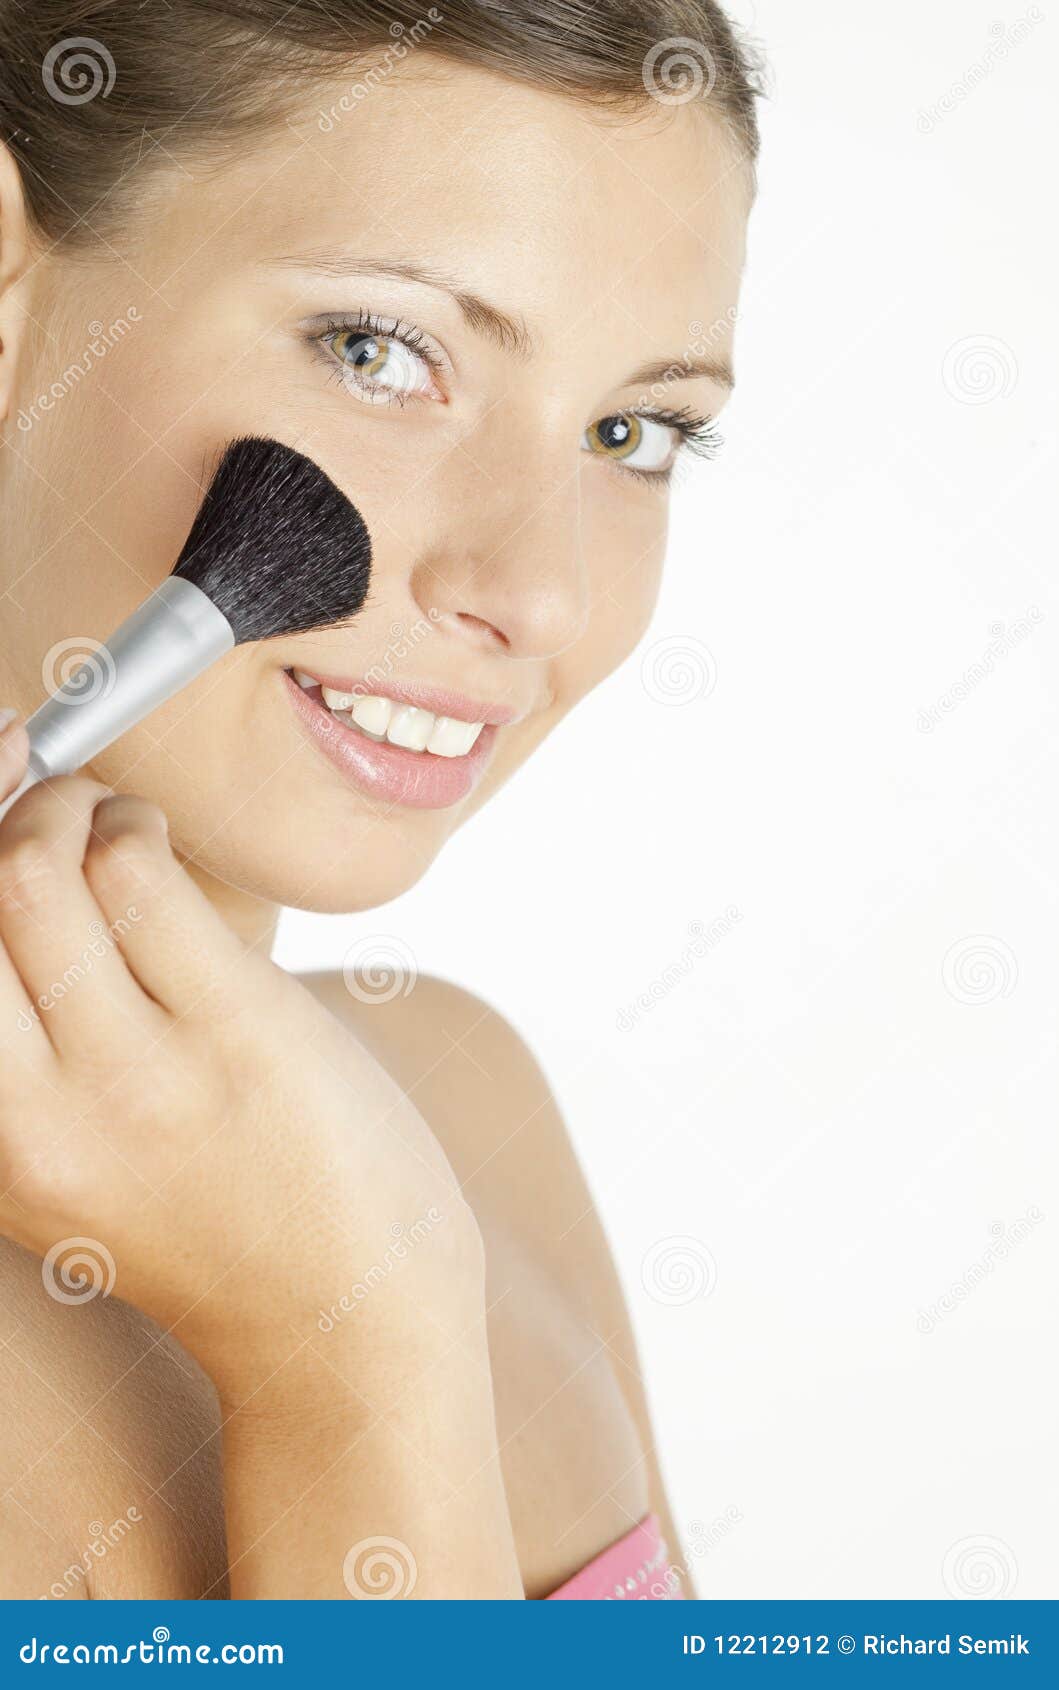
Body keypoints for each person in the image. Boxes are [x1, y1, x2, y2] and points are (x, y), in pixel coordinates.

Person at [0, 0, 759, 1599]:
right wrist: (336, 1351)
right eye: (381, 351)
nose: (535, 592)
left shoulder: (463, 1107)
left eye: (634, 432)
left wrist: (360, 1310)